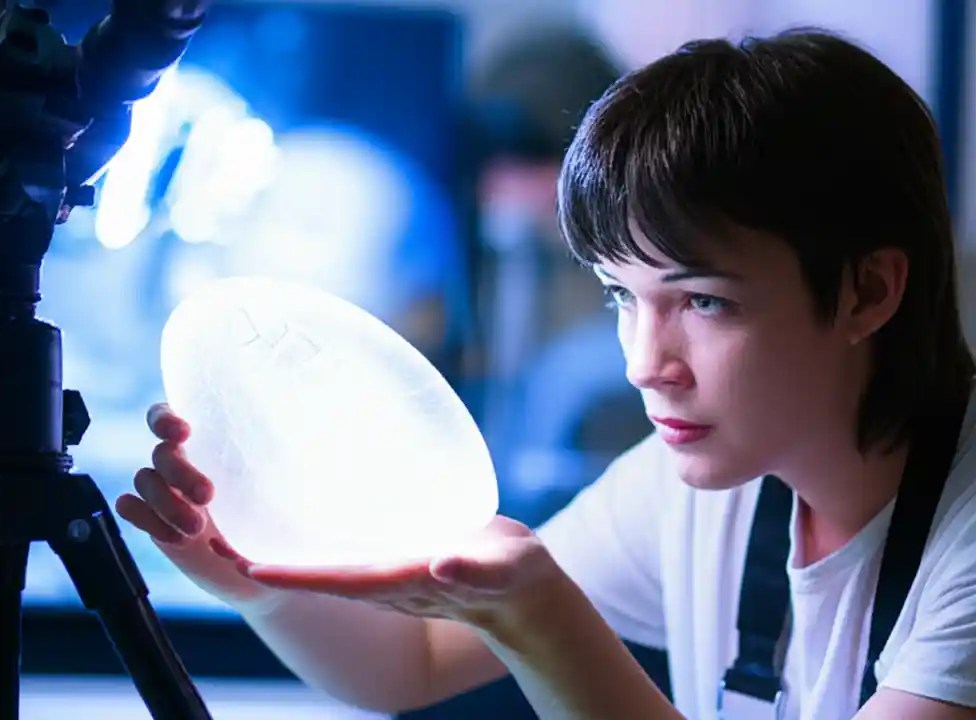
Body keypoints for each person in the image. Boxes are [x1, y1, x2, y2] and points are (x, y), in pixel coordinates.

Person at [115, 28, 976, 720]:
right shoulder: (701, 490)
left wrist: (542, 619)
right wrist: (250, 578)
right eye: (620, 297)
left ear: (869, 290)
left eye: (705, 303)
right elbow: (410, 667)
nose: (646, 364)